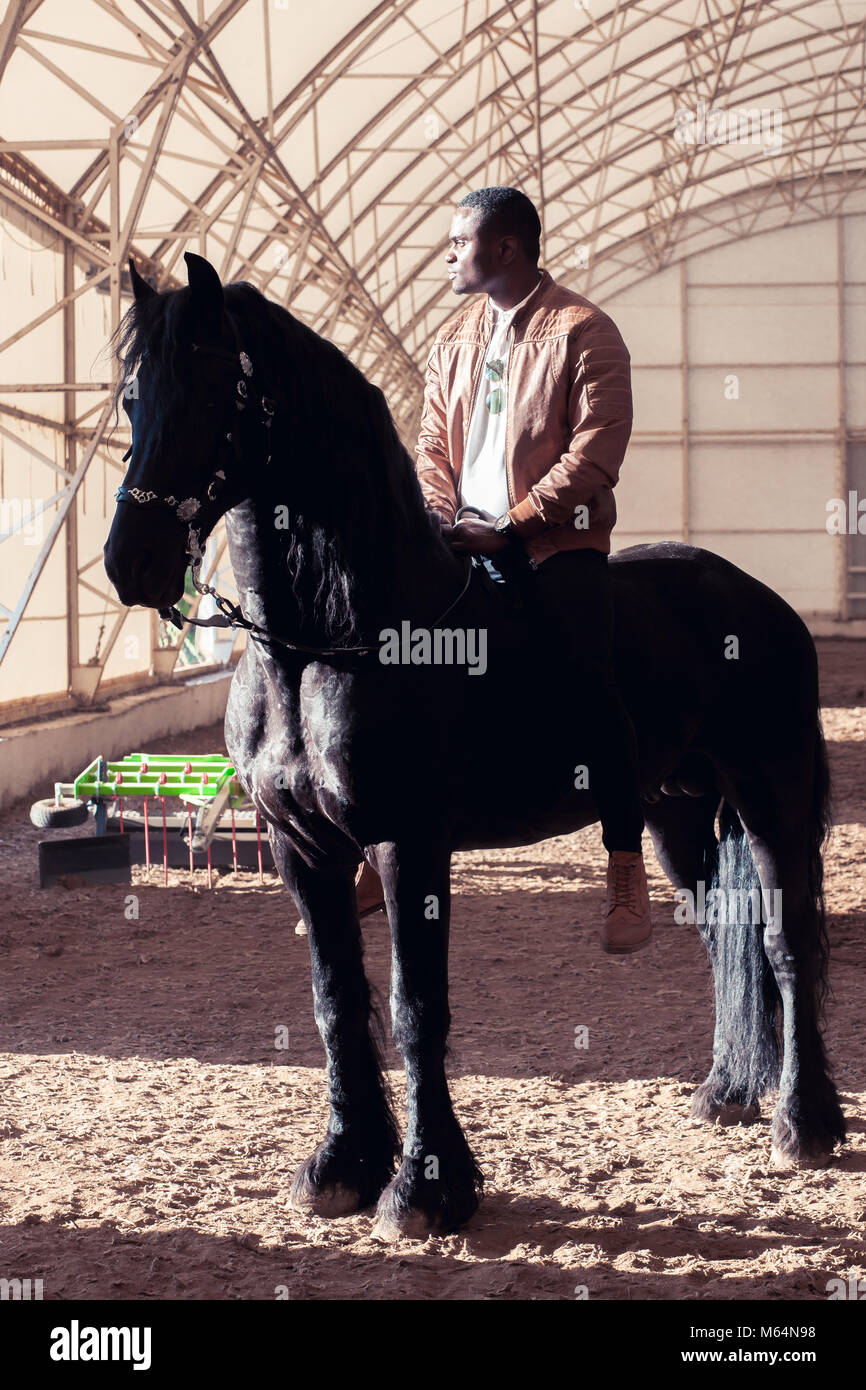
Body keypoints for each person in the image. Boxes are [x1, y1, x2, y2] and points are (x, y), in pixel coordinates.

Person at [356, 185, 652, 954]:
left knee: (591, 684)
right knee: (391, 664)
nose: (448, 255)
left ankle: (625, 863)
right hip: (457, 541)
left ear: (506, 249)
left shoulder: (584, 330)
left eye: (460, 241)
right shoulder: (455, 338)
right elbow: (429, 444)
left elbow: (596, 450)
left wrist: (514, 528)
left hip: (555, 546)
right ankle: (375, 843)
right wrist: (440, 519)